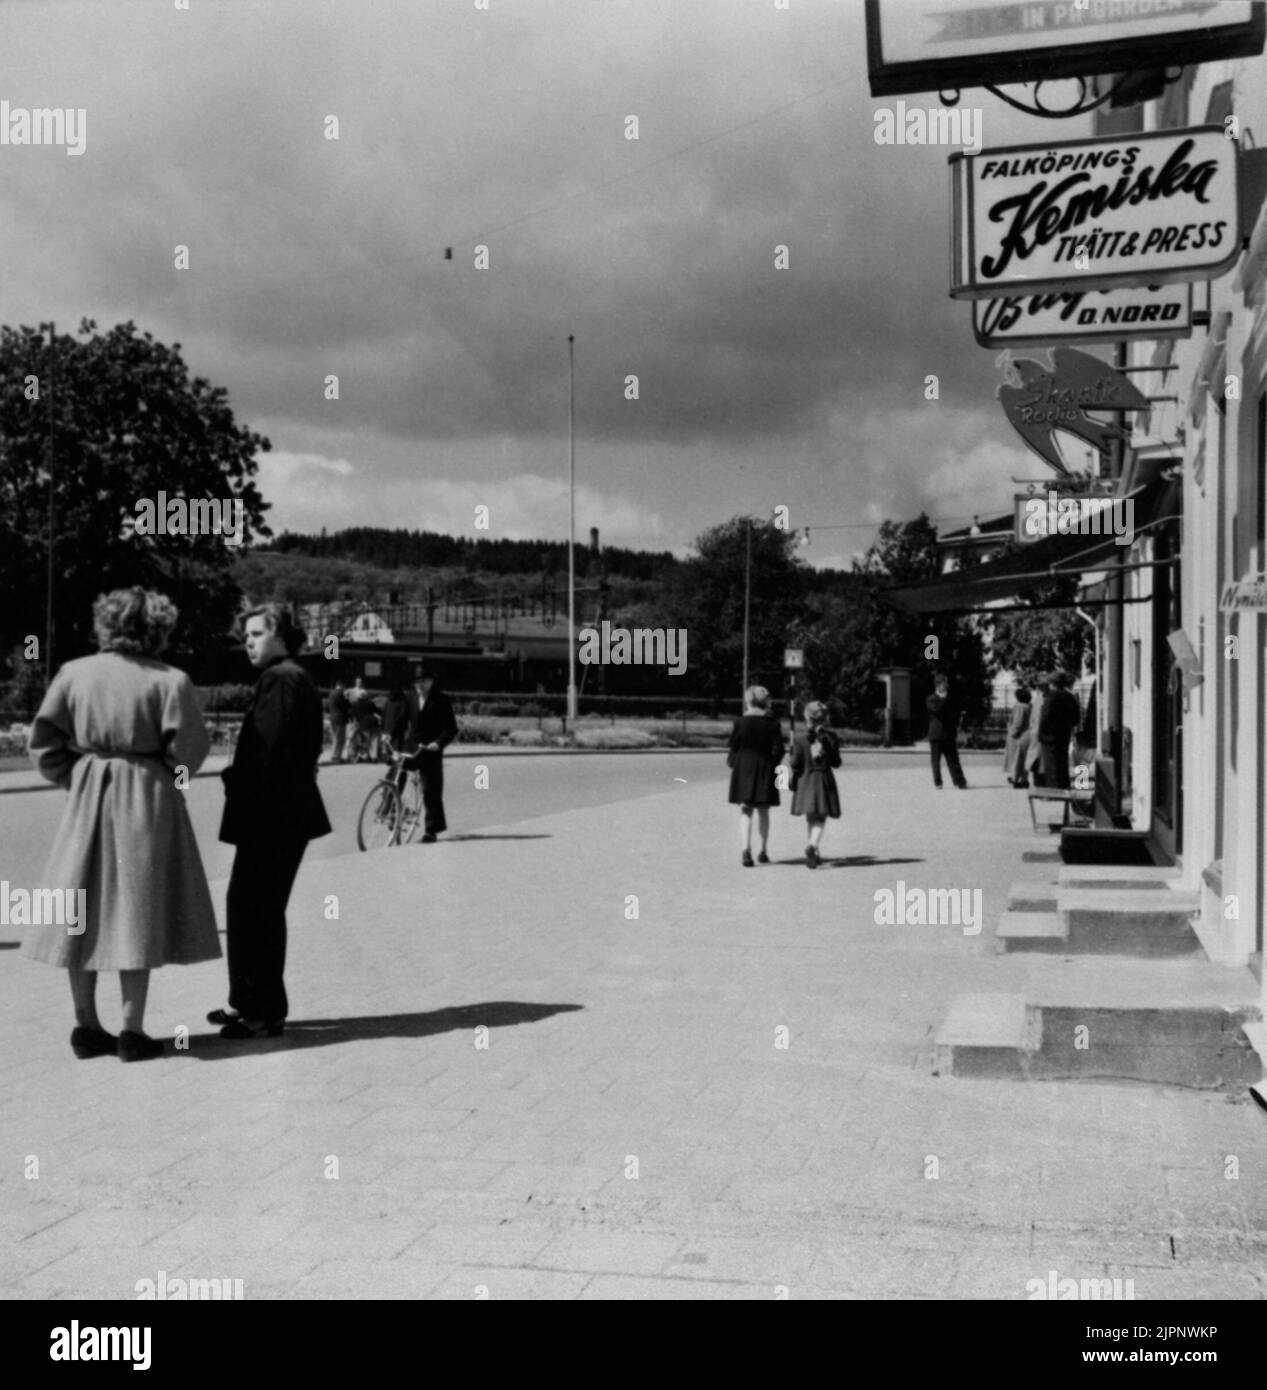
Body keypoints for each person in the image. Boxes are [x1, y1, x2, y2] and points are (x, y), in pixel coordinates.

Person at [21, 587, 221, 1062]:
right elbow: (189, 750)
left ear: (105, 624)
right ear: (157, 626)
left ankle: (86, 1025)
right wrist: (165, 778)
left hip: (90, 791)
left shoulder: (74, 673)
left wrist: (79, 776)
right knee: (139, 907)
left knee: (81, 907)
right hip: (146, 797)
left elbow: (43, 742)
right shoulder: (170, 679)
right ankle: (132, 1029)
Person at [210, 603, 332, 1040]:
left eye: (258, 633)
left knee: (252, 908)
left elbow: (269, 749)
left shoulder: (279, 680)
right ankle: (253, 1003)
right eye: (246, 635)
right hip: (285, 812)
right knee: (256, 907)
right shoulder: (295, 677)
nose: (248, 641)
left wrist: (234, 781)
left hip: (272, 813)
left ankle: (259, 1012)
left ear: (281, 634)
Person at [727, 685, 785, 866]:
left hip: (744, 768)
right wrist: (773, 764)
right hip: (766, 768)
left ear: (749, 701)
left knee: (745, 810)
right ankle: (763, 850)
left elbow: (734, 746)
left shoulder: (740, 722)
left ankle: (746, 850)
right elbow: (779, 750)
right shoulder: (773, 723)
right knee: (764, 811)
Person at [402, 664, 458, 842]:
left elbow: (451, 729)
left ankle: (431, 831)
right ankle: (392, 808)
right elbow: (401, 720)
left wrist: (438, 743)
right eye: (417, 682)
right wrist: (389, 734)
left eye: (424, 681)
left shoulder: (441, 700)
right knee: (397, 772)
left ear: (432, 682)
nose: (420, 685)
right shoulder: (410, 698)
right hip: (412, 746)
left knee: (430, 790)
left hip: (430, 750)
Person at [788, 700, 841, 869]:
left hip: (806, 779)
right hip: (823, 778)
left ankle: (813, 848)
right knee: (821, 817)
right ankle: (812, 847)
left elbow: (796, 763)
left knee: (811, 817)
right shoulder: (831, 737)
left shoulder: (799, 738)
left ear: (807, 717)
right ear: (824, 718)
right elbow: (836, 762)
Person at [1036, 669, 1081, 791]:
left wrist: (1041, 733)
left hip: (1049, 735)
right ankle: (1064, 786)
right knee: (1062, 761)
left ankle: (1054, 789)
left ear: (1052, 683)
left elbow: (1045, 716)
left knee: (1051, 763)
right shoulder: (1070, 696)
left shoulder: (1051, 697)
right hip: (1064, 734)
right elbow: (1076, 718)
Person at [925, 674, 968, 790]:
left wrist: (957, 726)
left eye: (947, 683)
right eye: (944, 684)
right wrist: (943, 698)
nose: (946, 686)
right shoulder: (931, 698)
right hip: (936, 734)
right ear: (938, 685)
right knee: (936, 760)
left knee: (953, 759)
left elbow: (954, 714)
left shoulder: (950, 698)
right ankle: (938, 783)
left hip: (949, 733)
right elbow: (936, 710)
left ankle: (959, 781)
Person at [1003, 687, 1032, 788]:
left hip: (1019, 736)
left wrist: (1012, 733)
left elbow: (1018, 722)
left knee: (1016, 759)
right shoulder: (1030, 706)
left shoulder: (1019, 706)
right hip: (1029, 735)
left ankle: (1015, 779)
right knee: (1025, 759)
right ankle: (1024, 780)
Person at [379, 685, 409, 760]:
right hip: (399, 728)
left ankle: (389, 757)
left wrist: (382, 727)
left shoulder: (388, 702)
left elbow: (383, 715)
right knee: (397, 745)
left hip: (387, 727)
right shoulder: (402, 703)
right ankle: (395, 759)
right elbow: (403, 716)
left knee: (389, 744)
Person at [326, 679, 350, 763]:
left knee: (335, 738)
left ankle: (336, 756)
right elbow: (345, 706)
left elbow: (327, 706)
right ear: (341, 685)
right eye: (344, 686)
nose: (344, 688)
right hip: (339, 719)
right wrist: (347, 698)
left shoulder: (331, 693)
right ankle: (336, 757)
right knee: (340, 739)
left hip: (333, 718)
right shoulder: (340, 694)